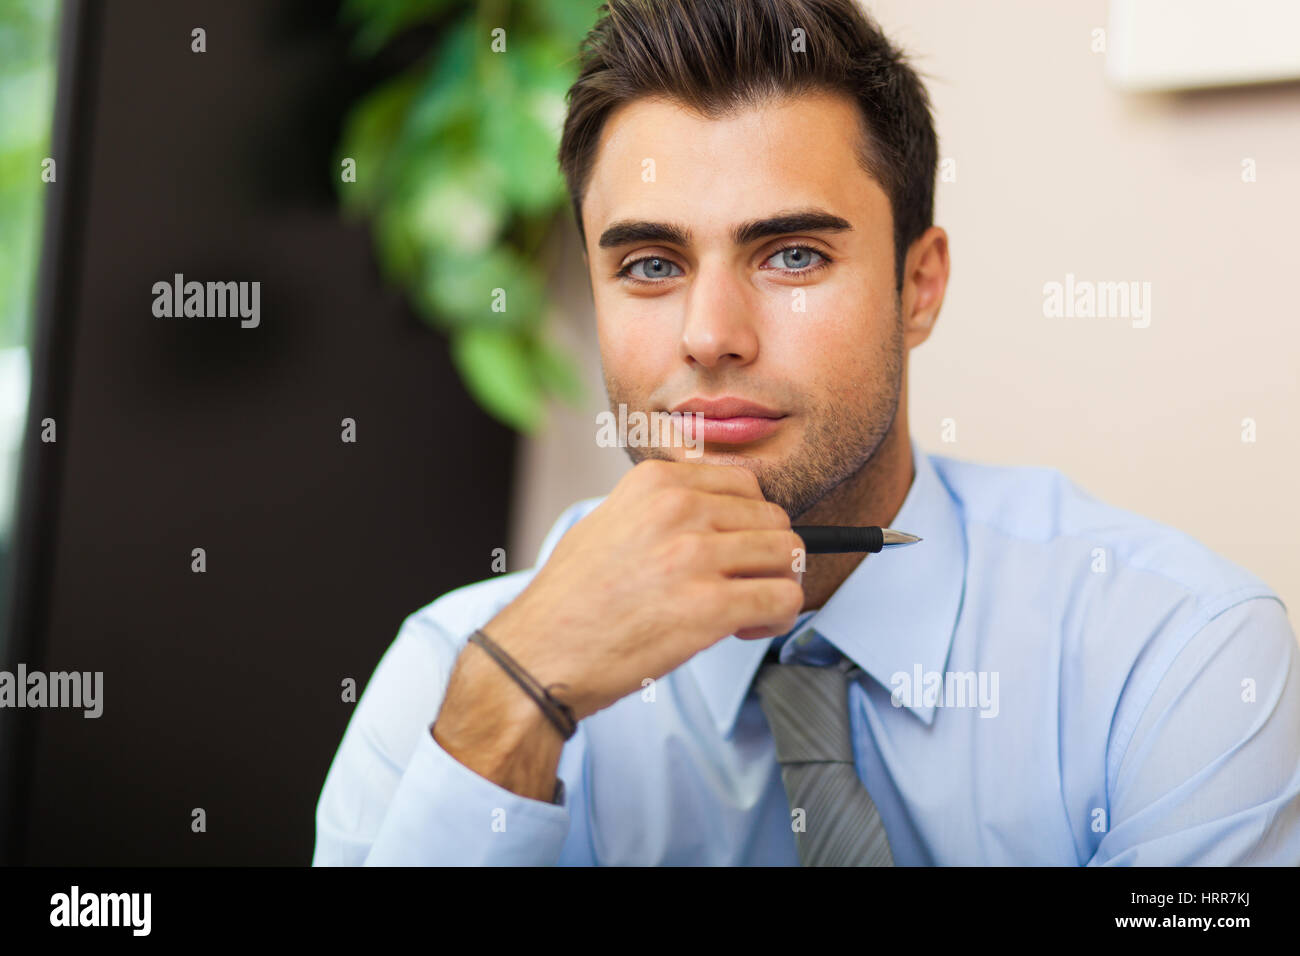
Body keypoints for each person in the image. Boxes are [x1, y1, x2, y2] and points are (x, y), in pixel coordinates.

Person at [313, 0, 1300, 865]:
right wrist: (509, 712)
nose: (709, 335)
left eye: (791, 254)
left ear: (920, 284)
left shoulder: (1172, 654)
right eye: (651, 264)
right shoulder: (452, 684)